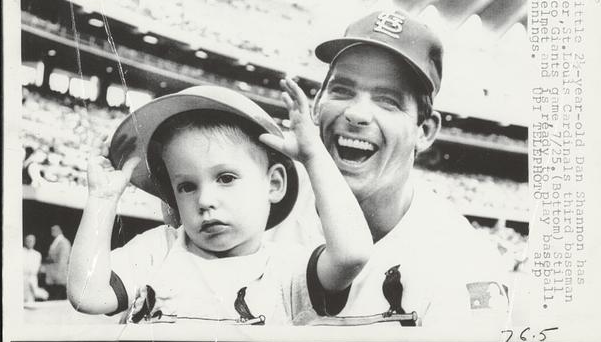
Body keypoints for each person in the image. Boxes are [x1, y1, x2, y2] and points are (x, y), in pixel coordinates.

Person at [271, 9, 509, 328]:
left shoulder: (463, 260)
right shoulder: (261, 202)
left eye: (388, 101)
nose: (357, 114)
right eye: (342, 90)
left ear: (424, 131)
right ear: (316, 106)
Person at [67, 85, 372, 325]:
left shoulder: (286, 270)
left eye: (226, 178)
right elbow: (87, 295)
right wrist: (102, 201)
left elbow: (352, 255)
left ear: (274, 184)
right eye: (186, 186)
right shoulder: (156, 251)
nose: (205, 201)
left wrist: (315, 156)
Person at [43, 225, 71, 301]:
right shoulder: (56, 242)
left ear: (60, 231)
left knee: (59, 298)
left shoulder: (63, 242)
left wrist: (59, 276)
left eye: (54, 230)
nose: (52, 232)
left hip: (59, 276)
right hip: (53, 275)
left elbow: (63, 260)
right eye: (51, 230)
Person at [23, 234, 47, 306]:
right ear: (25, 241)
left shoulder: (37, 254)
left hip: (33, 278)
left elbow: (36, 268)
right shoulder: (20, 252)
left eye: (32, 241)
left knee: (31, 299)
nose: (30, 242)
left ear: (34, 242)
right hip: (22, 278)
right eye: (28, 241)